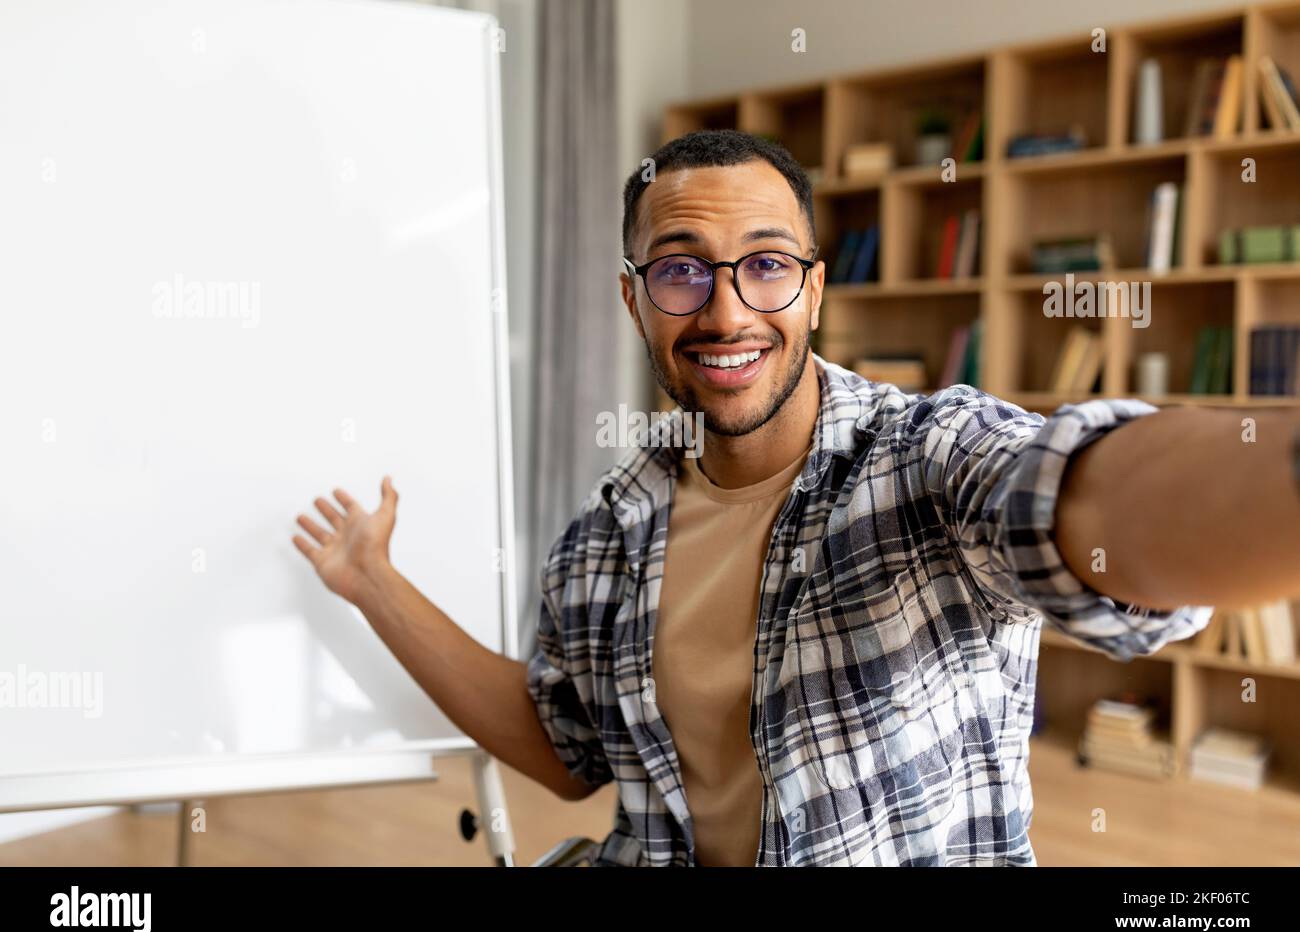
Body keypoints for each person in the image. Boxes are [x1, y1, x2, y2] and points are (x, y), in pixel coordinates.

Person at [293, 130, 1300, 866]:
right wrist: (372, 579)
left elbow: (1085, 497)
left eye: (766, 266)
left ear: (814, 291)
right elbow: (563, 753)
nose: (727, 308)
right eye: (681, 270)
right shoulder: (601, 540)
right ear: (633, 297)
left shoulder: (925, 458)